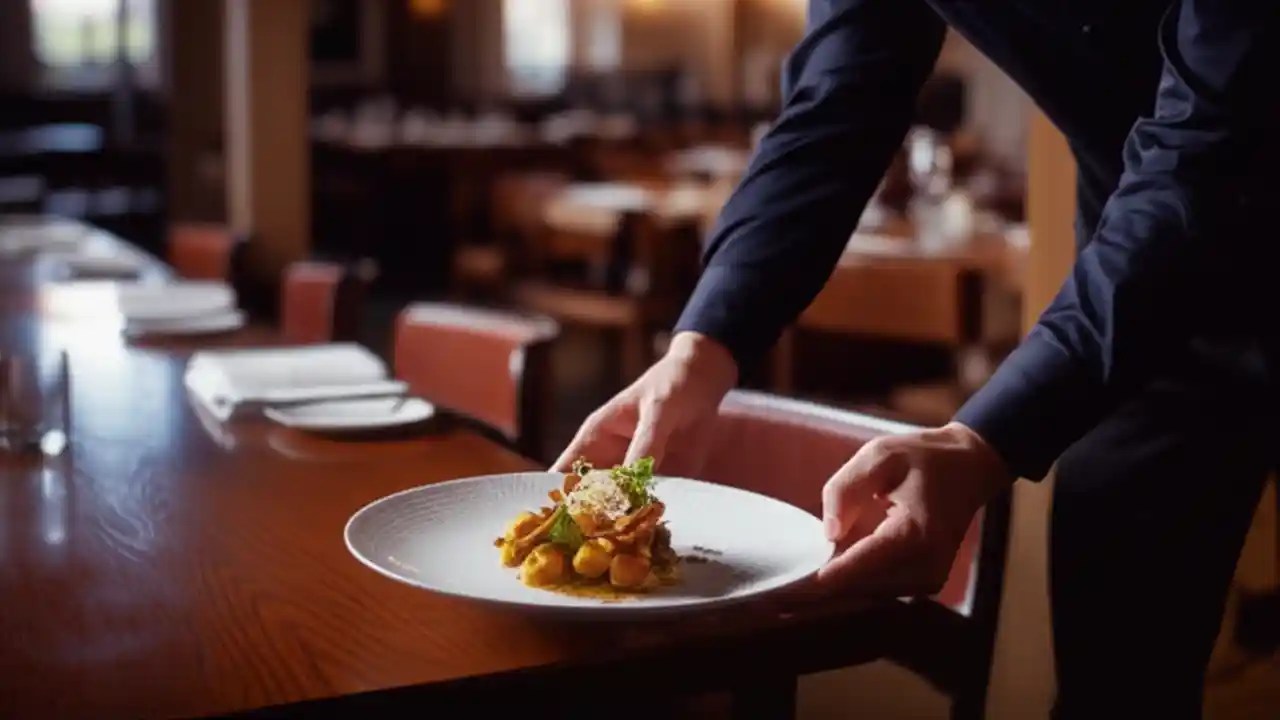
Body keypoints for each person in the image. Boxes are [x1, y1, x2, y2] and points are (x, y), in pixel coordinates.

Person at [554, 1, 1279, 717]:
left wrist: (982, 441)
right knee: (1115, 683)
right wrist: (701, 349)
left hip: (1188, 213)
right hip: (1138, 304)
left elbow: (1213, 145)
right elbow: (835, 105)